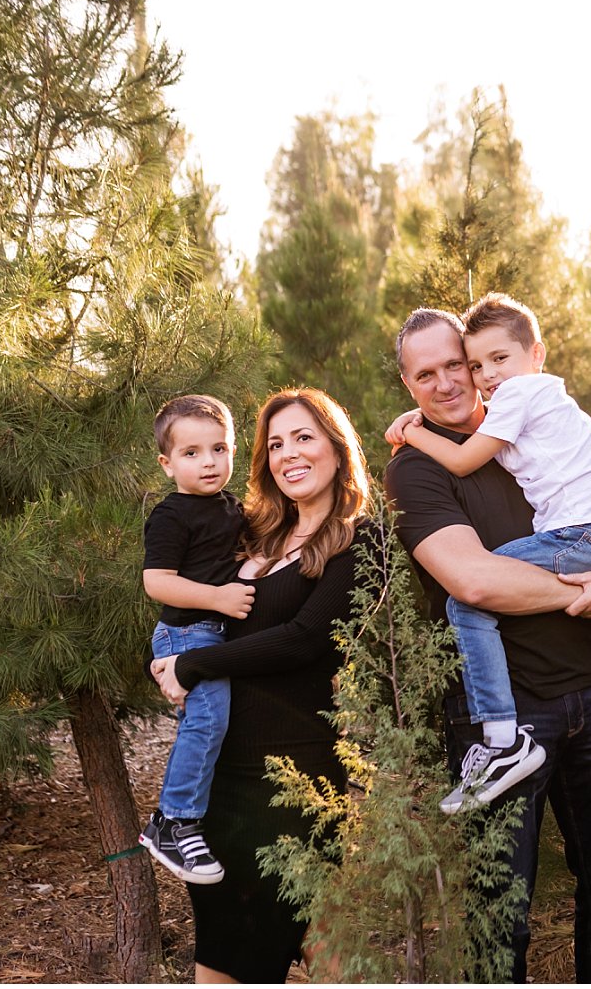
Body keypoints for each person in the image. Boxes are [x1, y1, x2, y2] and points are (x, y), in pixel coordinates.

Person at [384, 302, 591, 983]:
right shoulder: (417, 471)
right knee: (500, 919)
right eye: (427, 375)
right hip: (508, 711)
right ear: (407, 387)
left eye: (459, 364)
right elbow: (472, 580)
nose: (448, 382)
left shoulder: (525, 425)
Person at [150, 387, 374, 984]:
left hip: (291, 783)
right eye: (275, 443)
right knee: (219, 956)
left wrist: (192, 668)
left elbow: (305, 639)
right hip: (221, 780)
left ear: (335, 445)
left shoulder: (358, 540)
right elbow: (183, 598)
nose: (288, 453)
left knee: (284, 949)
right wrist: (169, 659)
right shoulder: (254, 532)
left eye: (304, 437)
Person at [138, 394, 256, 885]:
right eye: (191, 453)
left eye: (219, 448)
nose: (209, 462)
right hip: (188, 631)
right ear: (167, 464)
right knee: (207, 722)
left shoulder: (234, 508)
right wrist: (220, 599)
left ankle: (194, 815)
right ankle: (173, 820)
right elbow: (157, 582)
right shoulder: (172, 516)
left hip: (216, 635)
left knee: (218, 725)